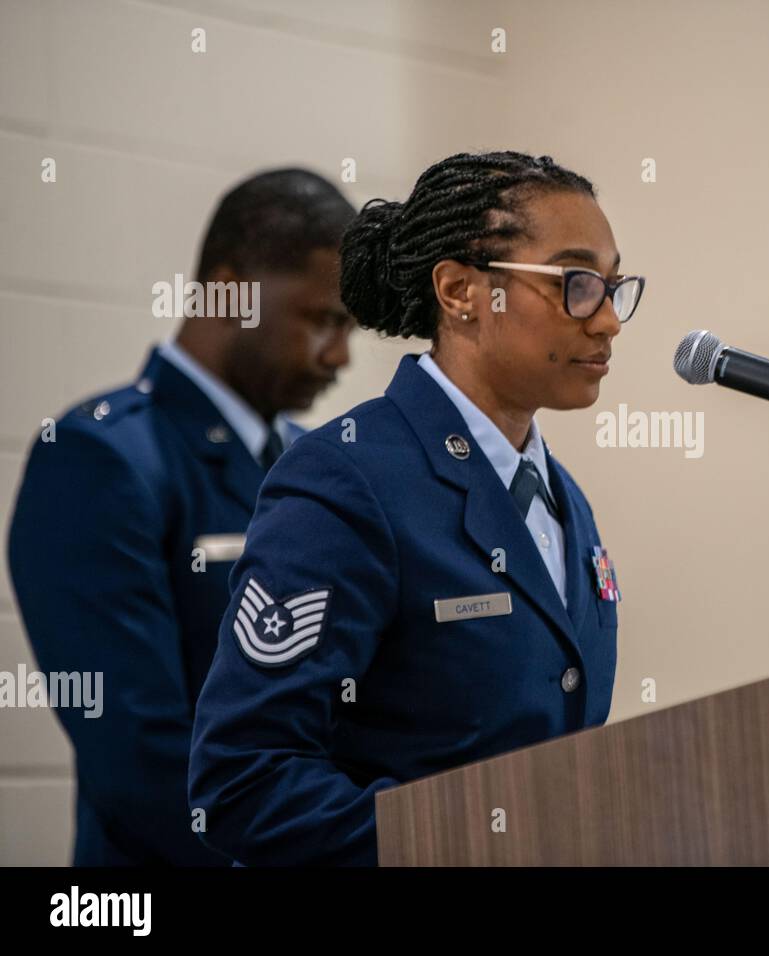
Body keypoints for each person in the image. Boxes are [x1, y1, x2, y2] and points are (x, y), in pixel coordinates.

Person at [189, 150, 641, 865]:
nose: (609, 320)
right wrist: (478, 843)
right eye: (576, 284)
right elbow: (244, 779)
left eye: (615, 287)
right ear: (461, 291)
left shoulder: (563, 501)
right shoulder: (349, 477)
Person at [7, 168, 357, 865]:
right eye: (323, 320)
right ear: (228, 291)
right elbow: (142, 762)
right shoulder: (102, 459)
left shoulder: (315, 464)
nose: (341, 356)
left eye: (348, 327)